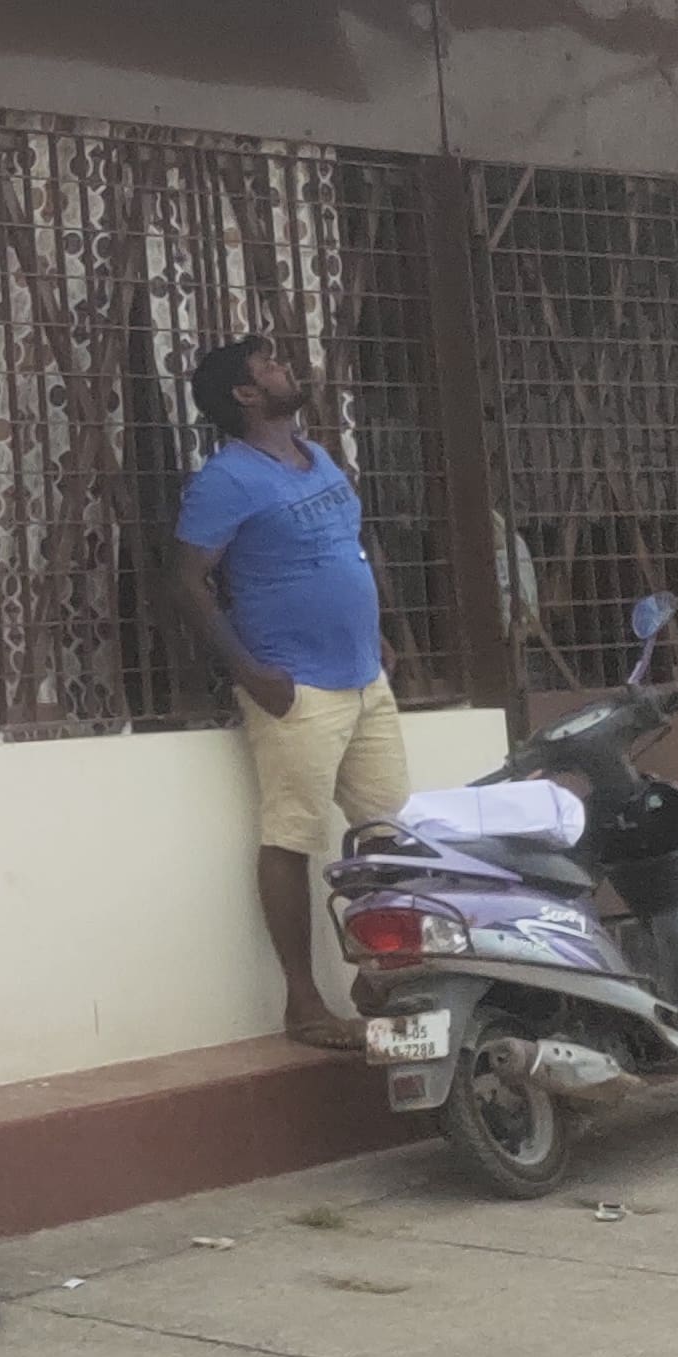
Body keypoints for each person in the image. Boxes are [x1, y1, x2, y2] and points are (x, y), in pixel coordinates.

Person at [169, 335, 407, 1050]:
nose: (284, 370)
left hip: (365, 677)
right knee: (291, 838)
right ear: (245, 396)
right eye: (268, 367)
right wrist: (246, 668)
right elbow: (185, 581)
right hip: (294, 685)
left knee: (391, 836)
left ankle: (382, 979)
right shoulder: (226, 480)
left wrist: (379, 634)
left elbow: (341, 551)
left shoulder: (318, 455)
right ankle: (303, 1002)